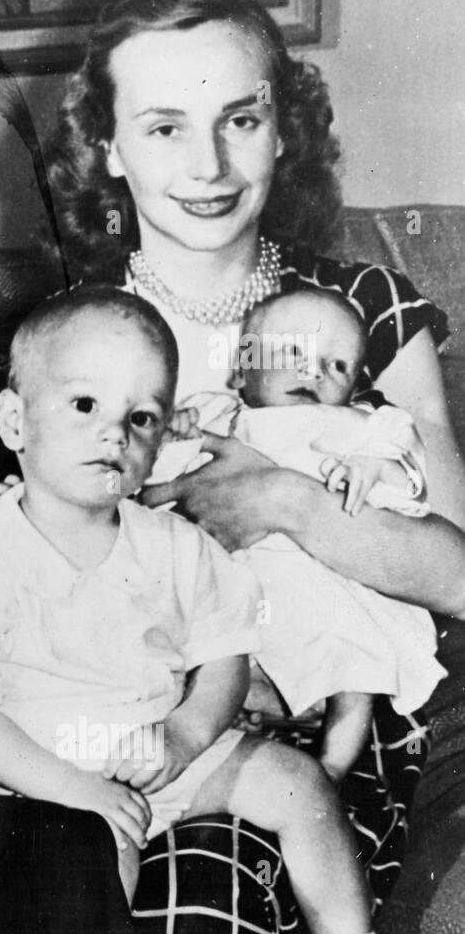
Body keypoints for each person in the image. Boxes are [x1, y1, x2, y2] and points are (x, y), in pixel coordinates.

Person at [44, 0, 465, 913]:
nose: (209, 164)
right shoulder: (69, 338)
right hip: (151, 719)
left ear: (284, 129)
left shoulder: (368, 307)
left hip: (356, 718)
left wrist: (279, 500)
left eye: (240, 118)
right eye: (163, 128)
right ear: (109, 148)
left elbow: (460, 575)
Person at [0, 287, 385, 934]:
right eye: (84, 406)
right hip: (50, 783)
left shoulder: (173, 542)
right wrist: (77, 790)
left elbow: (226, 656)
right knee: (91, 868)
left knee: (299, 782)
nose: (116, 434)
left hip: (167, 750)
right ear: (15, 420)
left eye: (141, 417)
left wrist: (188, 733)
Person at [150, 288, 445, 782]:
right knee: (202, 653)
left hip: (323, 584)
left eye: (337, 366)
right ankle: (231, 719)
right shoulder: (214, 414)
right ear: (242, 368)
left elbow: (407, 463)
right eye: (293, 353)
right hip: (239, 585)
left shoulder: (352, 425)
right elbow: (154, 480)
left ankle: (330, 768)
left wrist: (372, 466)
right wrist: (170, 433)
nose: (314, 373)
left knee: (356, 674)